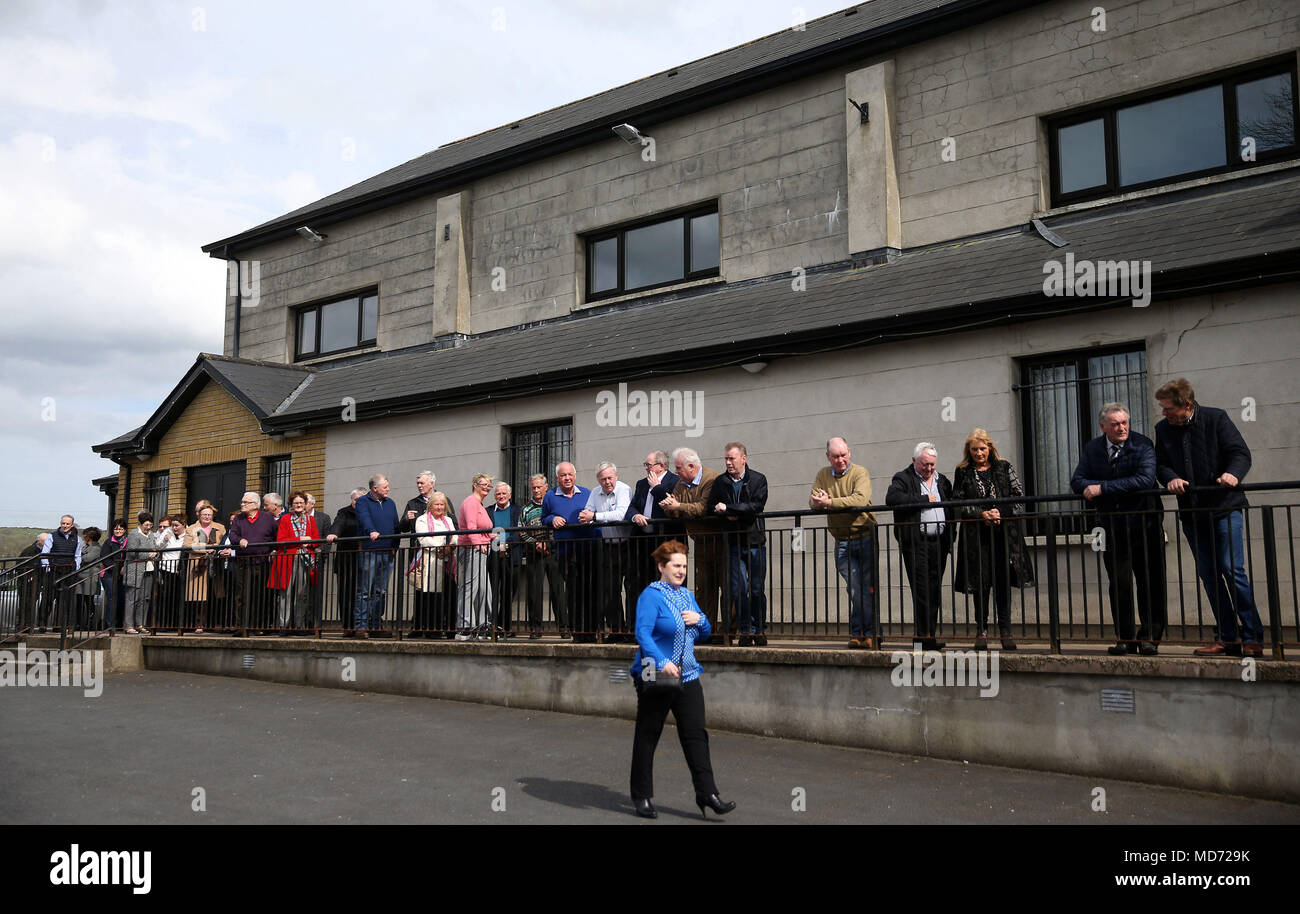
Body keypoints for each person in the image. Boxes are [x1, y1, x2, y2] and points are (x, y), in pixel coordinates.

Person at [1153, 377, 1263, 657]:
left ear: (1186, 405)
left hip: (1225, 506)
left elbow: (1240, 453)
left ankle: (1252, 636)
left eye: (1167, 408)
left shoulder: (1216, 418)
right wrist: (1171, 478)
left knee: (1231, 569)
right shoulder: (1163, 429)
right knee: (1209, 575)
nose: (1163, 413)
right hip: (1192, 512)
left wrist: (1233, 473)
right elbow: (1161, 465)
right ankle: (1228, 638)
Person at [629, 539, 735, 820]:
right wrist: (661, 662)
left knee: (696, 734)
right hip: (652, 671)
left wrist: (699, 620)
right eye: (676, 565)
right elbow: (643, 634)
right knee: (648, 734)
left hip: (688, 673)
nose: (681, 571)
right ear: (662, 566)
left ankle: (707, 793)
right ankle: (641, 795)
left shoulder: (686, 595)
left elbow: (705, 632)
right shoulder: (651, 596)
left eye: (684, 566)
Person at [1071, 402, 1166, 656]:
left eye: (1125, 422)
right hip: (1112, 526)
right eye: (1115, 424)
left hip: (1145, 523)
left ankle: (1149, 637)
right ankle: (1125, 638)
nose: (1122, 427)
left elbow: (1145, 479)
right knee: (1119, 582)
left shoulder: (1142, 443)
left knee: (1149, 580)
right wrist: (1106, 486)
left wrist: (1102, 488)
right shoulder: (1093, 448)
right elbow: (1077, 481)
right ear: (1103, 427)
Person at [951, 429, 1034, 650]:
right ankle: (982, 631)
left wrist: (999, 512)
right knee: (980, 582)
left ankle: (1006, 631)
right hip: (976, 537)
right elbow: (957, 503)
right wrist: (982, 515)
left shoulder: (1003, 467)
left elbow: (1019, 497)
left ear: (990, 448)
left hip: (1004, 534)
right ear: (969, 450)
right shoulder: (963, 472)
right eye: (975, 449)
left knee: (1003, 580)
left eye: (983, 448)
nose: (979, 453)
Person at [886, 444, 955, 651]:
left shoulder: (942, 480)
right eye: (925, 464)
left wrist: (951, 537)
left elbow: (951, 506)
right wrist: (925, 499)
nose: (929, 469)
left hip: (939, 542)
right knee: (922, 589)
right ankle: (922, 636)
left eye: (932, 464)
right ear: (915, 461)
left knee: (934, 589)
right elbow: (893, 499)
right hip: (917, 544)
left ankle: (928, 636)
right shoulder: (903, 478)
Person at [810, 437, 877, 649]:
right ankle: (865, 633)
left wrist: (830, 503)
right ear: (828, 457)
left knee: (866, 588)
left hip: (864, 535)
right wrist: (820, 501)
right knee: (855, 588)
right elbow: (812, 501)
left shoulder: (860, 472)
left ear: (849, 453)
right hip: (842, 540)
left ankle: (866, 633)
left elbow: (860, 499)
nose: (841, 460)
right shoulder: (823, 474)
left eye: (844, 455)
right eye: (836, 456)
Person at [659, 448, 724, 640]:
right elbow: (675, 511)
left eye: (679, 468)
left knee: (725, 587)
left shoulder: (711, 479)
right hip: (701, 541)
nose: (676, 472)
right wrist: (670, 507)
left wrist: (678, 506)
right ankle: (706, 631)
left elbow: (703, 508)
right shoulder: (681, 483)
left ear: (692, 467)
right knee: (704, 588)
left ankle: (727, 631)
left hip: (720, 541)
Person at [707, 443, 769, 645]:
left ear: (744, 459)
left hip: (755, 541)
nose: (728, 462)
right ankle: (745, 631)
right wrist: (725, 513)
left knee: (757, 589)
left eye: (732, 458)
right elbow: (711, 508)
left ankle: (759, 630)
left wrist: (730, 509)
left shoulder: (758, 479)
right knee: (739, 590)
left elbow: (756, 506)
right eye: (726, 458)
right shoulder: (720, 482)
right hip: (733, 542)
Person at [543, 462, 596, 641]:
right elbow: (544, 518)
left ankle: (591, 630)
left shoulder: (587, 493)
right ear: (557, 478)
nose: (567, 478)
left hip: (588, 550)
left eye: (570, 474)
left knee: (588, 591)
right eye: (563, 475)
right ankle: (577, 632)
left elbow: (595, 513)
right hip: (565, 551)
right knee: (572, 593)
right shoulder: (550, 496)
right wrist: (552, 518)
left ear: (575, 476)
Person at [583, 462, 633, 642]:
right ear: (598, 480)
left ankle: (631, 631)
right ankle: (617, 630)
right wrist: (589, 517)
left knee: (631, 588)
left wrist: (595, 517)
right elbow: (586, 514)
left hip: (628, 545)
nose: (607, 482)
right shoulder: (595, 492)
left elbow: (621, 514)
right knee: (610, 590)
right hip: (608, 545)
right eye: (603, 479)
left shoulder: (624, 489)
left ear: (616, 476)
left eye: (610, 478)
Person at [624, 450, 682, 601]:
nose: (646, 468)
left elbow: (672, 505)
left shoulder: (675, 481)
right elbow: (631, 508)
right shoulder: (641, 483)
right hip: (643, 540)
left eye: (648, 465)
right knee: (643, 582)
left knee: (666, 582)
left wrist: (657, 487)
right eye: (645, 465)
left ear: (661, 466)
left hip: (665, 540)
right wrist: (636, 516)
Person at [519, 473, 567, 638]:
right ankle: (535, 628)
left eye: (539, 487)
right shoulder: (526, 509)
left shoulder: (554, 505)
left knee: (558, 591)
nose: (536, 490)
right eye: (533, 487)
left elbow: (561, 525)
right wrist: (536, 544)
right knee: (534, 592)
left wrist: (549, 543)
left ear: (546, 488)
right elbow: (522, 531)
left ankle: (564, 628)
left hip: (554, 553)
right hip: (534, 554)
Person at [226, 492, 278, 632]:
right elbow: (233, 535)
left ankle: (258, 626)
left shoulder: (267, 518)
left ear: (255, 505)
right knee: (241, 594)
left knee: (260, 594)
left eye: (245, 502)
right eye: (242, 502)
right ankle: (241, 626)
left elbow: (276, 536)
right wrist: (239, 540)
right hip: (243, 561)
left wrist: (273, 550)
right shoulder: (239, 518)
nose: (242, 504)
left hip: (262, 561)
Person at [354, 474, 400, 634]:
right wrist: (371, 530)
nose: (388, 489)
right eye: (385, 487)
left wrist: (395, 545)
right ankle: (361, 626)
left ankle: (375, 625)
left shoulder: (390, 503)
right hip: (370, 550)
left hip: (387, 552)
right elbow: (364, 519)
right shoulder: (362, 502)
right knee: (365, 590)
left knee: (381, 591)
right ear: (375, 488)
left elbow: (395, 524)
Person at [269, 491, 320, 632]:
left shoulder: (310, 520)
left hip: (305, 560)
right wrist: (300, 540)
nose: (298, 505)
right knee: (286, 594)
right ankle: (283, 626)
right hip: (288, 560)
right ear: (291, 505)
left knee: (302, 594)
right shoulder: (285, 519)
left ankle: (299, 625)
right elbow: (280, 540)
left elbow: (316, 540)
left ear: (305, 505)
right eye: (295, 503)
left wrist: (309, 542)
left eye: (301, 503)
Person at [457, 474, 497, 640]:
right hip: (472, 549)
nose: (487, 488)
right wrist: (478, 544)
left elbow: (482, 529)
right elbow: (471, 527)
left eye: (489, 485)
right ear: (475, 485)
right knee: (470, 587)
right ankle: (465, 625)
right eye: (484, 484)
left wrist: (491, 537)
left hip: (481, 549)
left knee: (484, 588)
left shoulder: (479, 504)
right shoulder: (471, 502)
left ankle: (483, 624)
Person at [412, 491, 457, 637]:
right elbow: (423, 539)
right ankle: (431, 629)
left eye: (442, 504)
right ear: (430, 506)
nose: (439, 507)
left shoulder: (448, 520)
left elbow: (455, 536)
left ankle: (447, 628)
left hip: (447, 561)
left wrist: (449, 548)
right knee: (431, 595)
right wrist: (440, 548)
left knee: (448, 595)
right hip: (429, 559)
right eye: (436, 504)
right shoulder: (422, 519)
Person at [327, 488, 367, 634]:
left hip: (365, 558)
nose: (357, 502)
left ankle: (363, 625)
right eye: (355, 499)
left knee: (365, 593)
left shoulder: (369, 512)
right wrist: (333, 533)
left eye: (360, 499)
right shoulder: (344, 512)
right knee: (347, 593)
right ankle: (348, 626)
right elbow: (338, 524)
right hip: (347, 559)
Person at [183, 504, 226, 633]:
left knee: (216, 594)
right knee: (199, 597)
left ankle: (216, 624)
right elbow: (187, 545)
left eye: (209, 515)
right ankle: (199, 624)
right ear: (199, 515)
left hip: (216, 565)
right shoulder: (192, 528)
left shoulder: (220, 528)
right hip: (199, 565)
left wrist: (217, 548)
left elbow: (224, 542)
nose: (207, 517)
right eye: (204, 515)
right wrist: (205, 548)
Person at [486, 482, 521, 637]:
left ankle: (505, 627)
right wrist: (497, 546)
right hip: (493, 557)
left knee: (508, 594)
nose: (501, 496)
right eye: (498, 494)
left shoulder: (517, 510)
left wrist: (505, 545)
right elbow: (486, 532)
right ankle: (493, 626)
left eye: (504, 494)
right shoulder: (487, 511)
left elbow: (519, 531)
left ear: (510, 495)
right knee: (492, 593)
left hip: (511, 556)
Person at [40, 515, 82, 631]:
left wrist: (76, 568)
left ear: (72, 525)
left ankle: (59, 626)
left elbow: (78, 556)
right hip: (53, 571)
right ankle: (42, 625)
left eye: (67, 524)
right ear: (60, 523)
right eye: (63, 523)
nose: (65, 526)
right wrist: (48, 568)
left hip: (69, 572)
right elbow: (45, 554)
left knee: (64, 601)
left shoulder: (77, 539)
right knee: (47, 599)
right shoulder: (51, 536)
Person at [123, 511, 157, 635]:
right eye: (146, 525)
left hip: (149, 569)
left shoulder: (152, 534)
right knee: (132, 598)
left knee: (145, 599)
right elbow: (132, 552)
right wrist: (149, 554)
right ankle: (129, 625)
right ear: (140, 524)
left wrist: (154, 553)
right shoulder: (134, 534)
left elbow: (155, 547)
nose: (148, 528)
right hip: (135, 569)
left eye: (150, 525)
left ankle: (140, 624)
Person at [154, 515, 187, 631]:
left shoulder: (188, 534)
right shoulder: (167, 531)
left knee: (178, 597)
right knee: (166, 597)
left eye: (177, 525)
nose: (174, 528)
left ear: (183, 525)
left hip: (179, 569)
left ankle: (177, 624)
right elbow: (157, 546)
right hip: (166, 569)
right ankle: (164, 624)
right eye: (173, 525)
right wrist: (164, 540)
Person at [305, 493, 332, 629]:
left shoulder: (323, 518)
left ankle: (313, 623)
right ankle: (301, 623)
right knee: (302, 592)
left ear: (312, 504)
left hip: (317, 560)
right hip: (301, 559)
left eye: (305, 502)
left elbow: (327, 539)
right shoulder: (297, 518)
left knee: (315, 593)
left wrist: (322, 555)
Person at [99, 523, 127, 630]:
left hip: (122, 574)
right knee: (112, 598)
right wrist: (115, 568)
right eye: (116, 529)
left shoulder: (127, 542)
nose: (118, 531)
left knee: (121, 599)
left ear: (124, 530)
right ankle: (109, 624)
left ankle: (119, 623)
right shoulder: (109, 542)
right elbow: (104, 558)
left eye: (120, 529)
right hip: (109, 574)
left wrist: (124, 568)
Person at [75, 527, 102, 630]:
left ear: (89, 537)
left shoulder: (96, 548)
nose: (83, 537)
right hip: (81, 577)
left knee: (89, 601)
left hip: (90, 578)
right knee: (79, 601)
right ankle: (79, 623)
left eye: (85, 535)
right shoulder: (85, 546)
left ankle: (90, 623)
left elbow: (87, 559)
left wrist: (78, 556)